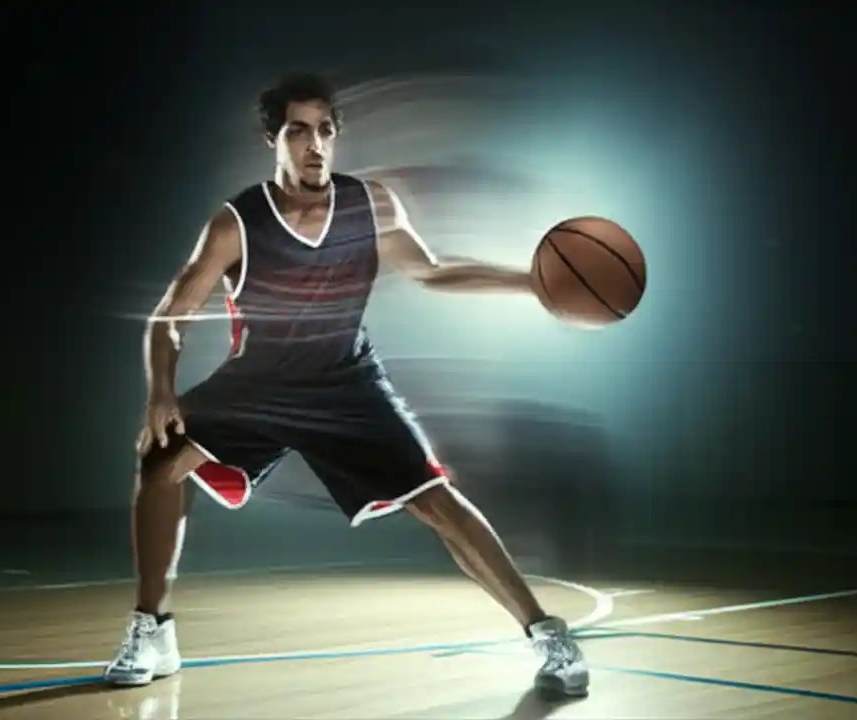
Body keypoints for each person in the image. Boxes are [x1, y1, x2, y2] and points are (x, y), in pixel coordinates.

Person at [103, 73, 589, 697]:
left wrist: (529, 282)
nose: (315, 145)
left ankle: (547, 632)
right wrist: (160, 392)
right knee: (161, 455)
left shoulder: (372, 204)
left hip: (346, 382)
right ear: (272, 140)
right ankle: (153, 628)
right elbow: (170, 313)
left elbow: (434, 272)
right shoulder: (238, 223)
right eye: (298, 130)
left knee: (437, 501)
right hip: (260, 384)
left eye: (325, 130)